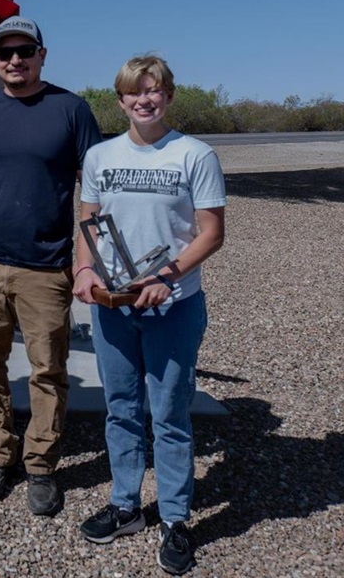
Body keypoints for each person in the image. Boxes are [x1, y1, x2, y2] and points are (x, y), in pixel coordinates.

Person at [73, 55, 225, 575]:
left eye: (153, 90)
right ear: (120, 101)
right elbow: (88, 222)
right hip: (113, 306)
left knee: (169, 412)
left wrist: (166, 277)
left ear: (169, 96)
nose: (144, 100)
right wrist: (83, 270)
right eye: (134, 92)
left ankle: (176, 518)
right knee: (120, 407)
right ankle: (125, 505)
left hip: (172, 305)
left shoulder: (194, 154)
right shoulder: (100, 155)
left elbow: (211, 233)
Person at [0, 16, 102, 512]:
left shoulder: (71, 109)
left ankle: (41, 465)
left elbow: (96, 191)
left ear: (43, 55)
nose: (15, 60)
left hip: (46, 265)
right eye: (5, 52)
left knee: (47, 369)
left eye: (25, 51)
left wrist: (87, 260)